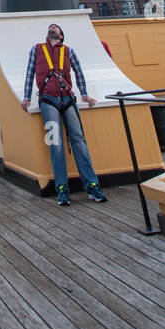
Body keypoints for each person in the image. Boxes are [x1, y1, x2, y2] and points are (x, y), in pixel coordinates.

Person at [21, 22, 107, 206]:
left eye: (56, 28)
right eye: (51, 27)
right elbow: (29, 73)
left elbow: (79, 73)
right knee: (55, 143)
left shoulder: (69, 52)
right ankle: (62, 188)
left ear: (60, 36)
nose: (52, 27)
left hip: (68, 99)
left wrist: (84, 94)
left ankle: (92, 185)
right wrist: (26, 97)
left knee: (78, 139)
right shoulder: (36, 50)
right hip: (48, 100)